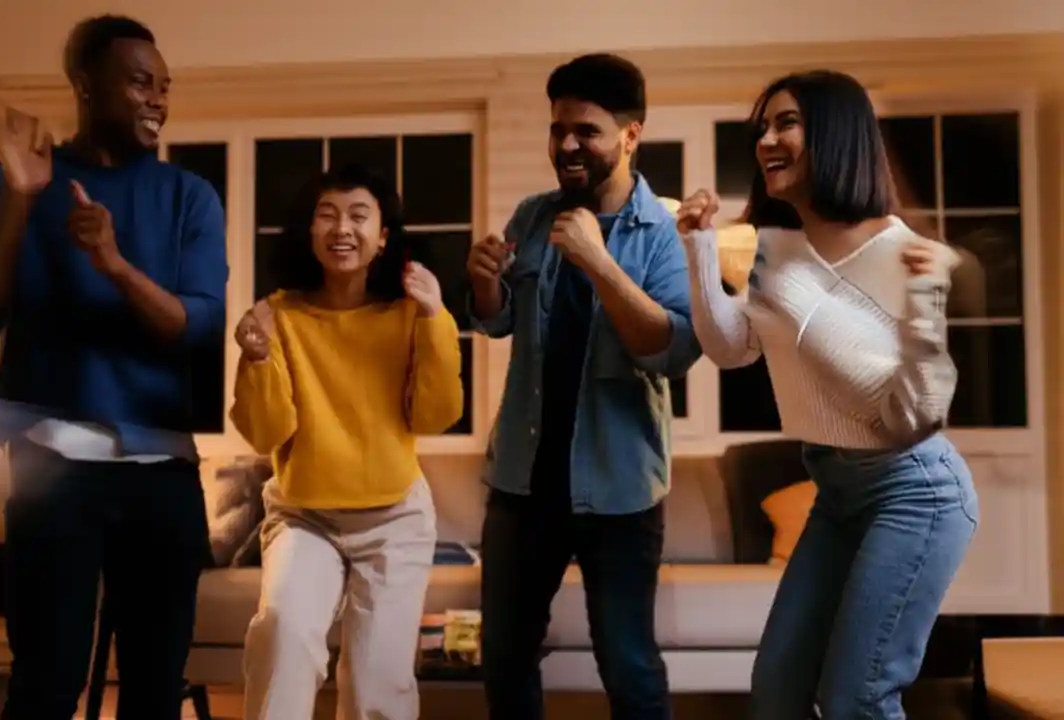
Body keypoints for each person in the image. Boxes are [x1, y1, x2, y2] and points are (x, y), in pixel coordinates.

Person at [0, 15, 227, 720]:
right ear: (85, 86)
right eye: (139, 82)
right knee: (45, 685)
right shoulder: (11, 184)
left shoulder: (189, 197)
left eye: (165, 87)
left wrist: (114, 264)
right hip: (51, 471)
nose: (158, 99)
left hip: (161, 474)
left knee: (155, 690)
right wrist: (19, 200)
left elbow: (197, 326)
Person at [676, 69, 976, 720]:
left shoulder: (901, 253)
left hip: (914, 489)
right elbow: (733, 348)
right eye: (763, 127)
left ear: (836, 135)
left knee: (856, 699)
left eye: (787, 123)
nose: (766, 140)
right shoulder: (778, 251)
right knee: (778, 695)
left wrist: (797, 296)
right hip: (835, 494)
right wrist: (700, 249)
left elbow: (906, 411)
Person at [468, 53, 700, 720]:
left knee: (627, 663)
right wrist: (485, 283)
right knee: (505, 655)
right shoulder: (532, 217)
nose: (567, 145)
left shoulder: (664, 231)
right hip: (522, 481)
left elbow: (672, 351)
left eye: (586, 131)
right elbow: (499, 320)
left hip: (620, 492)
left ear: (631, 135)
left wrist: (601, 264)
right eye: (557, 129)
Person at [230, 164, 463, 720]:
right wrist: (258, 357)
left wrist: (434, 319)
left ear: (383, 237)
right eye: (327, 215)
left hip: (394, 519)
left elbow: (435, 414)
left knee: (379, 679)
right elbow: (265, 433)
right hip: (303, 514)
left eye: (360, 216)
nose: (343, 229)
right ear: (309, 233)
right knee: (282, 634)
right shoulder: (277, 315)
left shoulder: (413, 309)